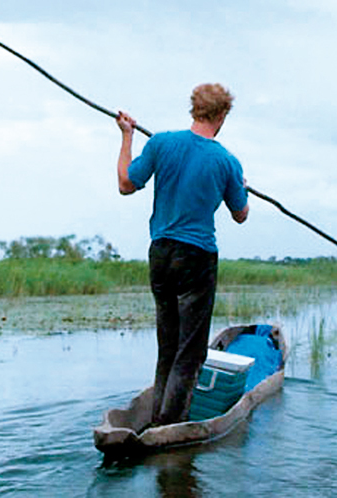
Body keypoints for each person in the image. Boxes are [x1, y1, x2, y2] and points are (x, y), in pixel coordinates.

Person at [115, 83, 249, 426]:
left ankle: (159, 418)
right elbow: (241, 214)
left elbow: (126, 184)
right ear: (222, 116)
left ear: (194, 110)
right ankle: (169, 428)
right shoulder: (226, 161)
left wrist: (127, 136)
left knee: (168, 348)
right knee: (189, 355)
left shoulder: (160, 143)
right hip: (197, 259)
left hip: (160, 254)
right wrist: (241, 185)